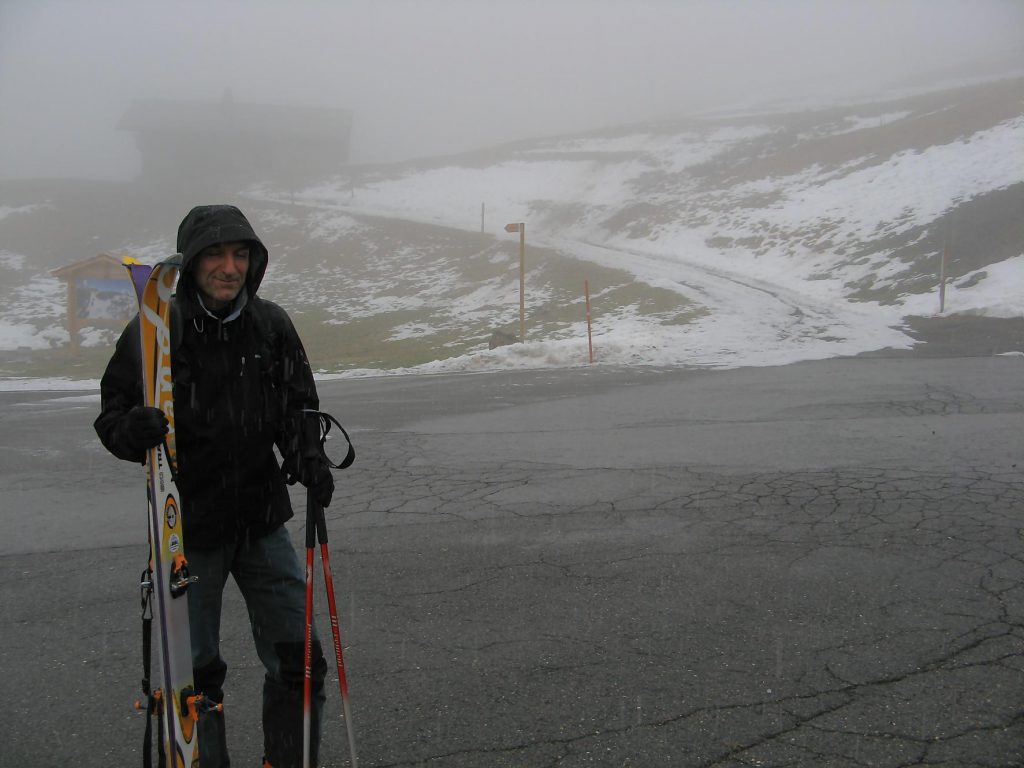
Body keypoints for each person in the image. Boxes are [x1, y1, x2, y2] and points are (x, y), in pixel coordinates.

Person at [95, 204, 335, 768]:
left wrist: (307, 454)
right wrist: (133, 431)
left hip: (261, 519)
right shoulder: (156, 328)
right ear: (191, 262)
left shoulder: (271, 324)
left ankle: (289, 759)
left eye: (241, 255)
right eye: (216, 255)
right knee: (195, 679)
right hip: (188, 530)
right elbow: (112, 416)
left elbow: (299, 405)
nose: (230, 267)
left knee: (300, 661)